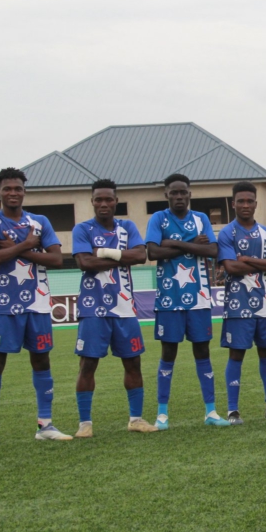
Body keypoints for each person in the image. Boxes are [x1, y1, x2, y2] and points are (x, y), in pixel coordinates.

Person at [0, 167, 69, 447]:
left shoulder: (39, 222)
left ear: (24, 191)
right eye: (7, 189)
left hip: (38, 305)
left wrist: (20, 247)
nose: (13, 193)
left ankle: (45, 424)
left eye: (18, 188)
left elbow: (57, 260)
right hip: (3, 307)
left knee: (41, 360)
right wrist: (29, 246)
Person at [71, 179, 156, 437]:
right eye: (99, 199)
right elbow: (84, 262)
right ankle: (85, 423)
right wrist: (121, 256)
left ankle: (136, 419)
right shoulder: (82, 229)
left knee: (133, 364)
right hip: (92, 307)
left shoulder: (127, 226)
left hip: (124, 307)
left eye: (109, 199)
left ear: (116, 201)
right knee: (88, 365)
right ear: (92, 201)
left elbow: (140, 256)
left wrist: (103, 253)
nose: (104, 204)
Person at [146, 173, 229, 428]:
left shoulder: (201, 218)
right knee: (168, 353)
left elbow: (213, 251)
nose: (179, 197)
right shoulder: (158, 218)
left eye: (183, 193)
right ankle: (162, 414)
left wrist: (174, 243)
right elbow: (152, 251)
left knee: (202, 352)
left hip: (199, 298)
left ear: (189, 194)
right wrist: (191, 243)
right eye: (174, 193)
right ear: (166, 195)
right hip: (169, 299)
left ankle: (211, 412)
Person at [217, 181, 266, 424]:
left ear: (256, 204)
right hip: (238, 305)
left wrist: (247, 259)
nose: (245, 205)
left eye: (250, 201)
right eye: (241, 201)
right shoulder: (227, 233)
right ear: (233, 203)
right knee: (236, 355)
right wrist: (261, 262)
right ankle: (232, 411)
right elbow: (231, 267)